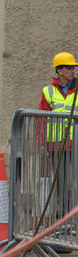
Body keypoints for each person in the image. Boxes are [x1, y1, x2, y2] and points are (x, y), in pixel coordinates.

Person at [38, 51, 78, 223]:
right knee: (61, 181)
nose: (72, 71)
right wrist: (41, 143)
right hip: (56, 144)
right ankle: (65, 214)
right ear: (59, 71)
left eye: (73, 68)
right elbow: (40, 117)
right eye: (69, 68)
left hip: (75, 143)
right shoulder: (48, 91)